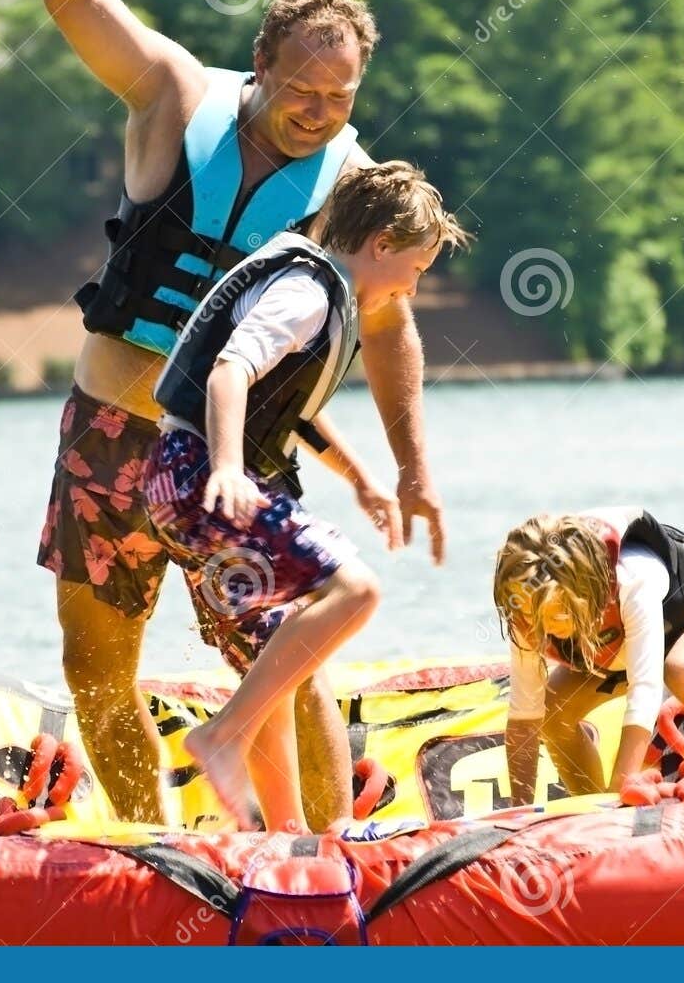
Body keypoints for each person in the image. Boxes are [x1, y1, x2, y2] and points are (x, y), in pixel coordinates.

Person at [34, 0, 446, 825]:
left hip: (239, 466)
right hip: (110, 437)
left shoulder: (352, 185)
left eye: (338, 97)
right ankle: (157, 852)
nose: (316, 110)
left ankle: (328, 856)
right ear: (259, 61)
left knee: (284, 663)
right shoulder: (176, 95)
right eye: (300, 87)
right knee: (96, 664)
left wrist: (411, 465)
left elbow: (387, 322)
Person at [142, 162, 469, 831]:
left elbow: (289, 407)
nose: (413, 284)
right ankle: (222, 734)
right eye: (415, 267)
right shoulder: (308, 291)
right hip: (204, 474)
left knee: (274, 664)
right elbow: (232, 369)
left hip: (172, 484)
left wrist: (363, 480)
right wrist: (228, 466)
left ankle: (289, 843)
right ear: (381, 244)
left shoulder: (317, 293)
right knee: (357, 589)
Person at [492, 507, 684, 805]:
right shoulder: (528, 609)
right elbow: (523, 720)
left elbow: (644, 692)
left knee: (682, 670)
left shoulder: (634, 580)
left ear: (587, 592)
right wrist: (520, 811)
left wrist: (621, 792)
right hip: (617, 651)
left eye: (554, 615)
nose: (540, 627)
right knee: (552, 711)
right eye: (530, 615)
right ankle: (590, 807)